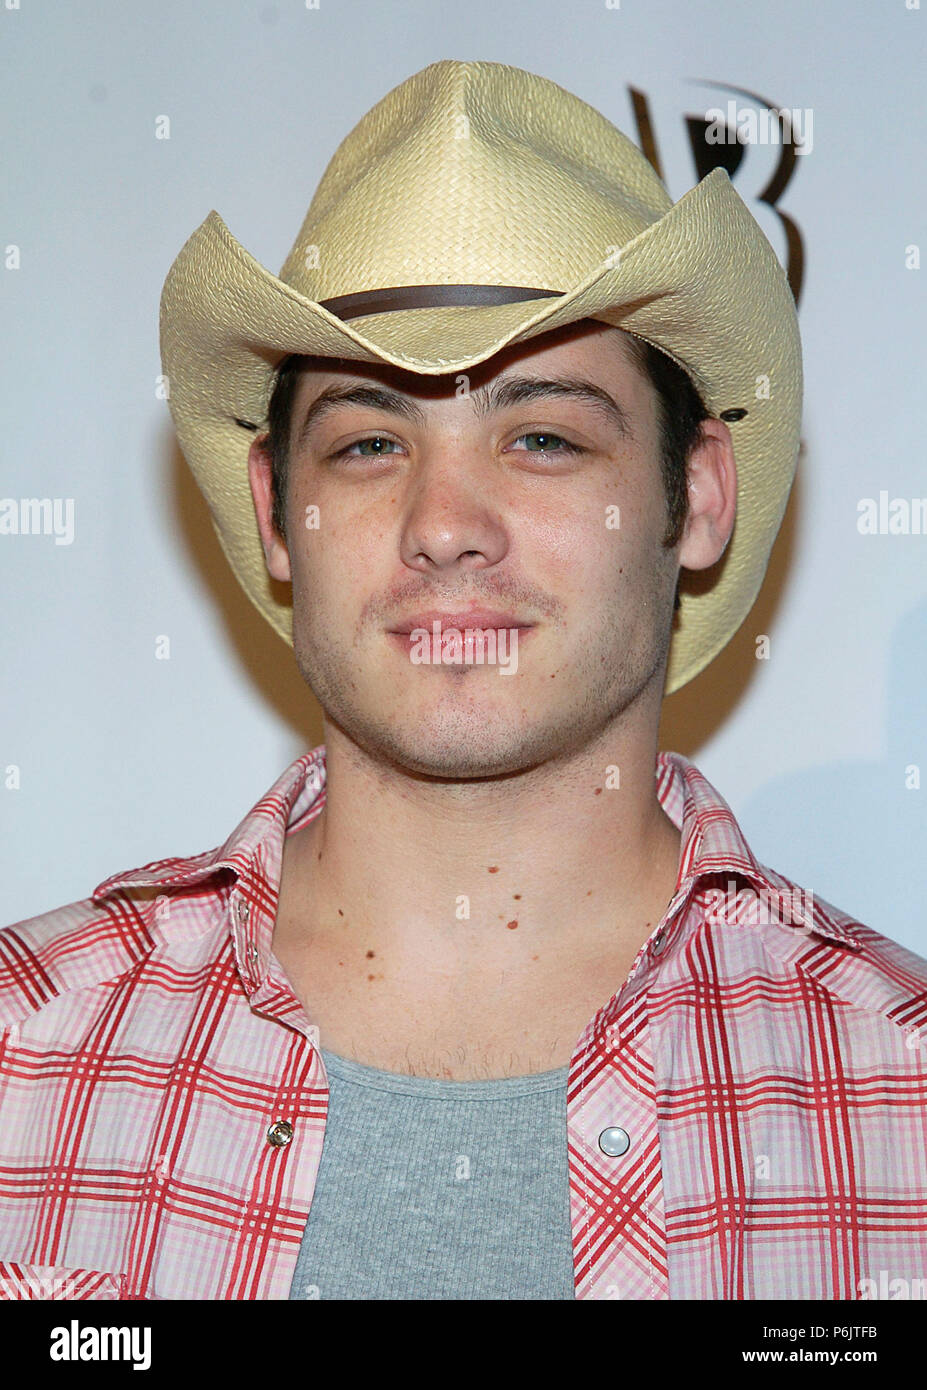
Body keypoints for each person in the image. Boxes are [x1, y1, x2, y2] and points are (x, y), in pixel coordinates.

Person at [1, 59, 925, 1303]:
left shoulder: (900, 1093)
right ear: (280, 513)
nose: (444, 524)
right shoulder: (26, 1051)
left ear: (698, 493)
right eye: (371, 441)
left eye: (542, 435)